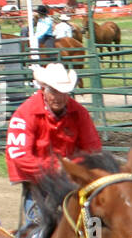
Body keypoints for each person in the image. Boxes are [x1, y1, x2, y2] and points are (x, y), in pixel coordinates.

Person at [6, 62, 102, 224]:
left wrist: (73, 169)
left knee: (96, 225)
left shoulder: (79, 113)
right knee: (37, 231)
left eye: (63, 92)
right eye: (54, 91)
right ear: (43, 89)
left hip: (73, 182)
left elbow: (93, 149)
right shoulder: (26, 113)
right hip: (39, 185)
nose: (59, 97)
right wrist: (57, 168)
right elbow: (20, 156)